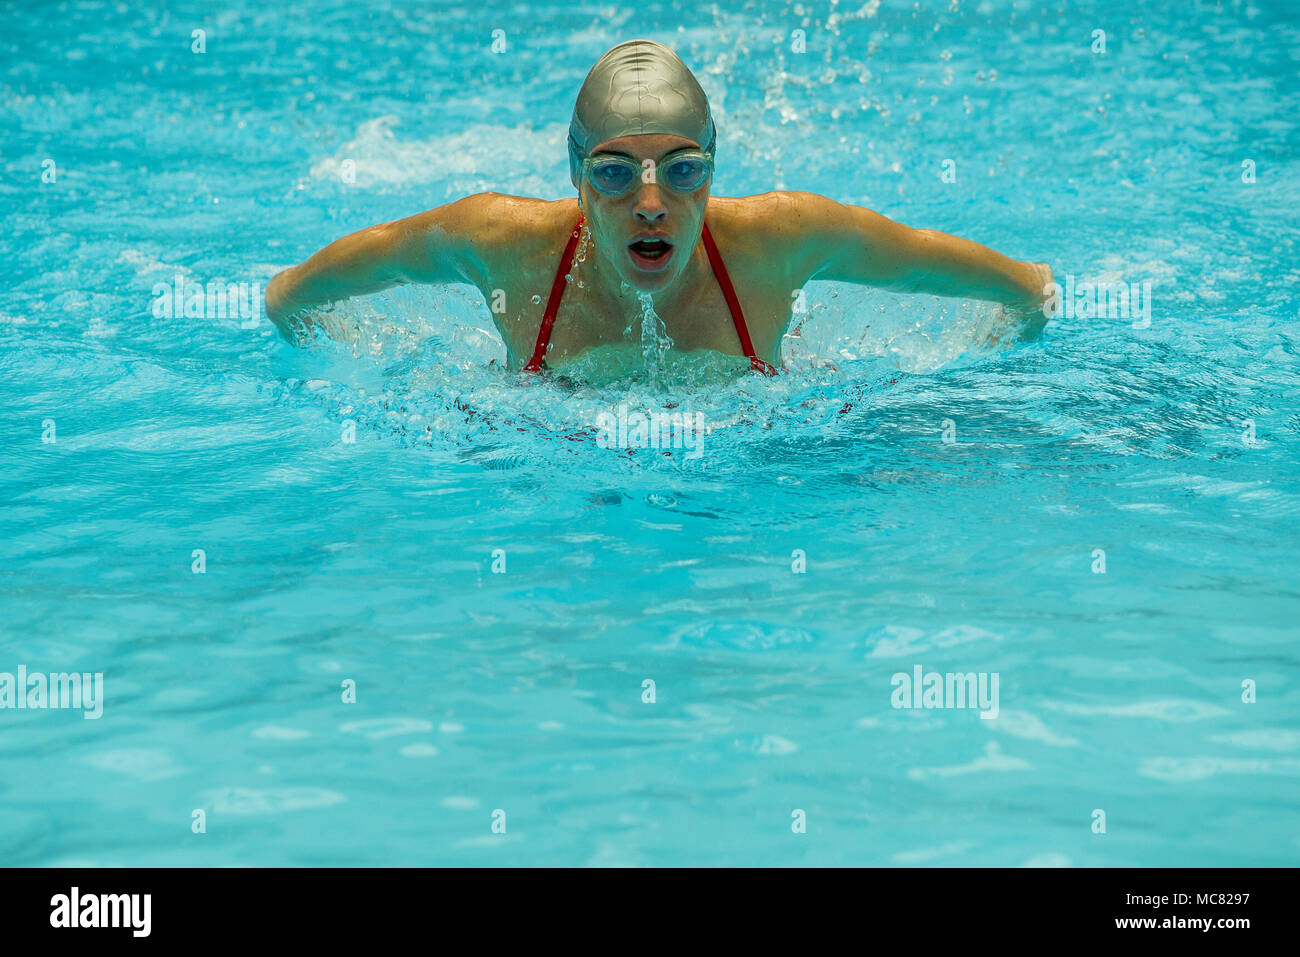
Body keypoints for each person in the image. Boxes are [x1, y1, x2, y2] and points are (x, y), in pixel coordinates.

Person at [265, 38, 1053, 378]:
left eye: (682, 170)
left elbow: (946, 266)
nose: (651, 203)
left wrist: (1027, 304)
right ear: (576, 179)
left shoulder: (777, 240)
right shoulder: (503, 244)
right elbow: (315, 286)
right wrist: (302, 323)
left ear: (712, 174)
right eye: (613, 174)